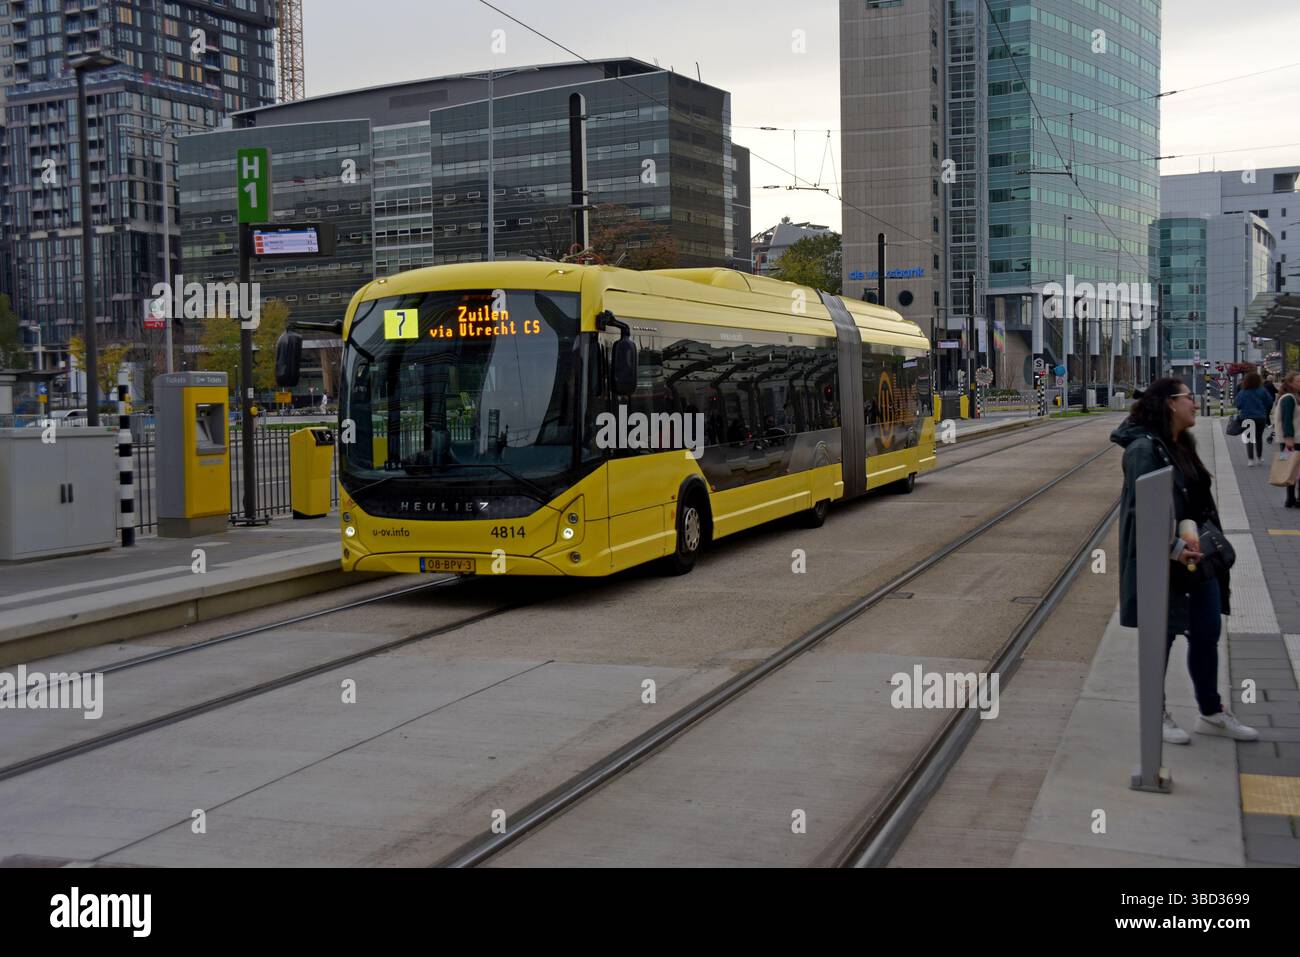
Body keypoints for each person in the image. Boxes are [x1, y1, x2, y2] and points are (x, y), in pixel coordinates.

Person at [1112, 378, 1259, 744]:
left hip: (1199, 560)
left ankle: (1211, 712)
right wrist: (1175, 547)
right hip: (1165, 563)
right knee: (1161, 638)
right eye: (1189, 398)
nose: (1195, 403)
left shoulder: (1181, 444)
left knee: (1207, 633)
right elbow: (1142, 514)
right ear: (1168, 404)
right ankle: (1155, 713)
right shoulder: (1144, 450)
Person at [1273, 371, 1300, 508]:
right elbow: (1286, 419)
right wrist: (1289, 437)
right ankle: (1293, 498)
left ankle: (1291, 499)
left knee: (1291, 469)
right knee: (1291, 469)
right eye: (1298, 381)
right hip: (1293, 440)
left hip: (1290, 440)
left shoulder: (1292, 397)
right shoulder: (1289, 398)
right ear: (1290, 383)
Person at [1235, 371, 1273, 466]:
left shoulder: (1243, 392)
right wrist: (1263, 407)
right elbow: (1270, 401)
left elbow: (1238, 405)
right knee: (1259, 438)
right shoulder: (1262, 390)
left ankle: (1250, 460)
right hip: (1260, 417)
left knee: (1249, 438)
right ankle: (1259, 458)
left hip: (1246, 417)